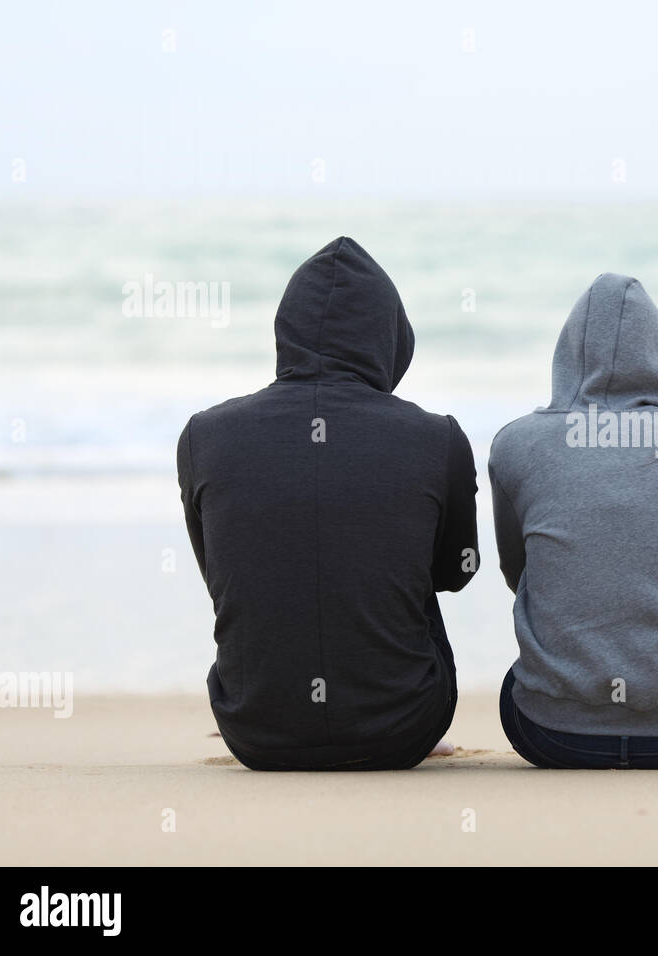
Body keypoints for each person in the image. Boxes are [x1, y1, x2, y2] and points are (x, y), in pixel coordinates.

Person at [176, 237, 479, 770]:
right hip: (403, 728)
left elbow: (219, 571)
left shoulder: (205, 435)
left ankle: (286, 704)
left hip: (252, 730)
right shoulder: (437, 438)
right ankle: (385, 694)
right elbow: (455, 573)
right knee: (395, 568)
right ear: (391, 338)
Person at [489, 273, 658, 769]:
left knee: (524, 676)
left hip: (549, 735)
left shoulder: (516, 443)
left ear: (566, 359)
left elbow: (522, 576)